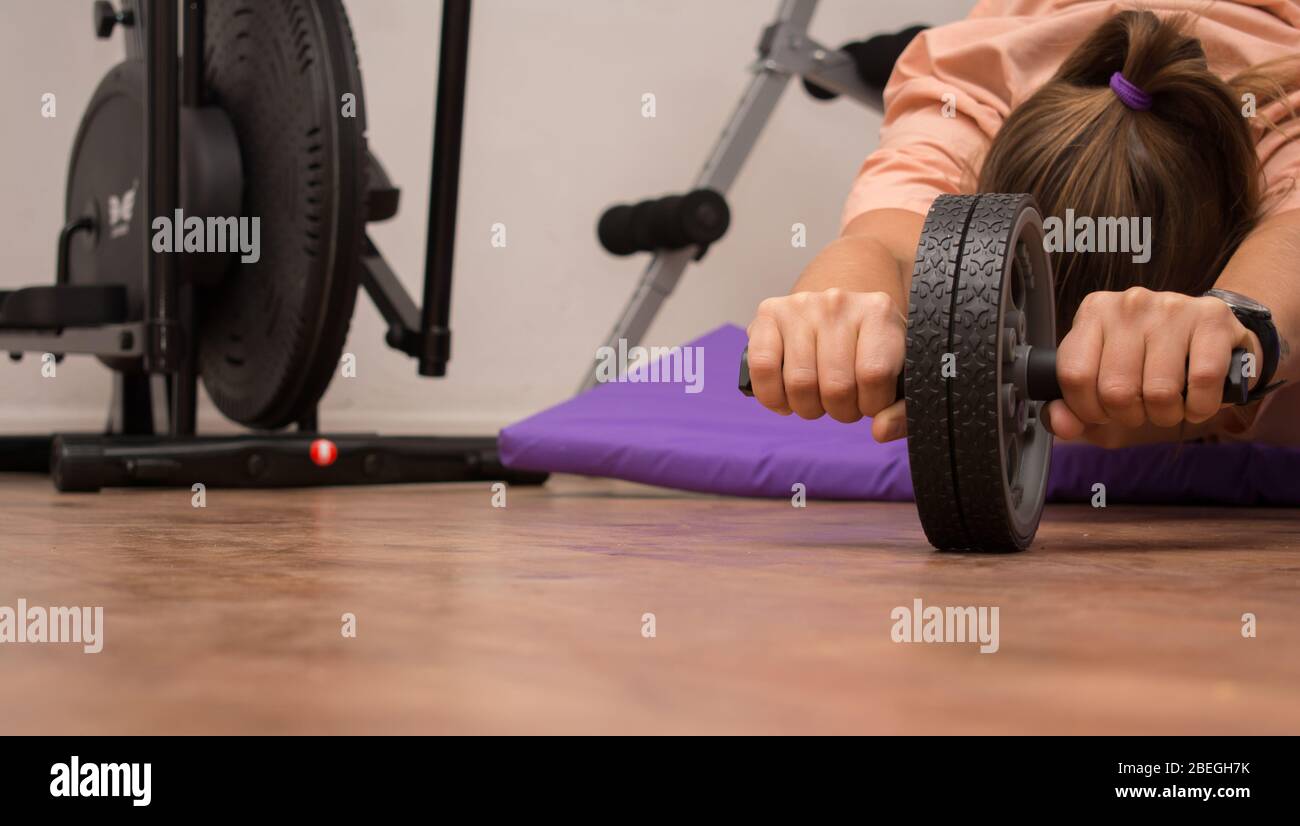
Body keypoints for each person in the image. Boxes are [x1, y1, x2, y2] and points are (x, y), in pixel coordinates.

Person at [745, 2, 1300, 447]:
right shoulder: (966, 94)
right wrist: (839, 297)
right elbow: (887, 244)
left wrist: (1238, 322)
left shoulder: (1283, 113)